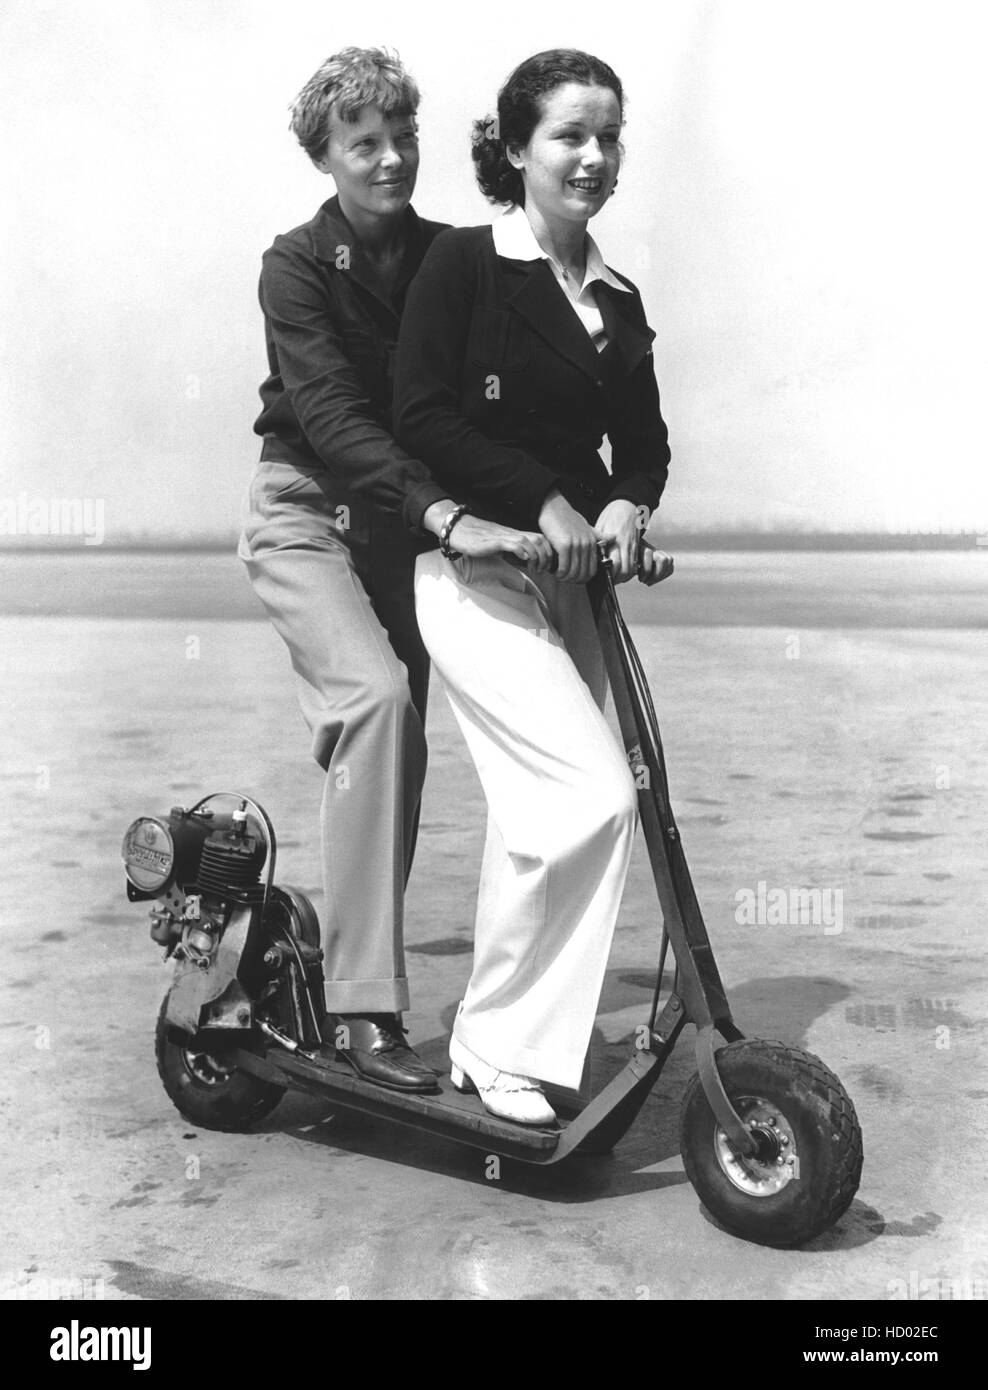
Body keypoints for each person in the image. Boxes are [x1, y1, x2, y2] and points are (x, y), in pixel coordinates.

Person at [394, 49, 674, 1124]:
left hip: (571, 593)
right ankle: (513, 1054)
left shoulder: (615, 294)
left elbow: (641, 449)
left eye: (608, 135)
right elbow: (421, 417)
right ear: (516, 150)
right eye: (570, 135)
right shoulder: (464, 268)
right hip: (466, 576)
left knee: (536, 824)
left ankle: (486, 1044)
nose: (594, 156)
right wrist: (542, 503)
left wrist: (621, 512)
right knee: (592, 800)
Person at [239, 47, 523, 1092]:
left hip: (402, 533)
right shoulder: (295, 264)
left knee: (393, 743)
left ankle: (338, 969)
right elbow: (330, 416)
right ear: (327, 156)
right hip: (306, 511)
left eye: (403, 135)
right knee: (376, 700)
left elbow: (497, 396)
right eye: (365, 142)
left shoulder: (455, 257)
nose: (392, 157)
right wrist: (443, 508)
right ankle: (363, 1013)